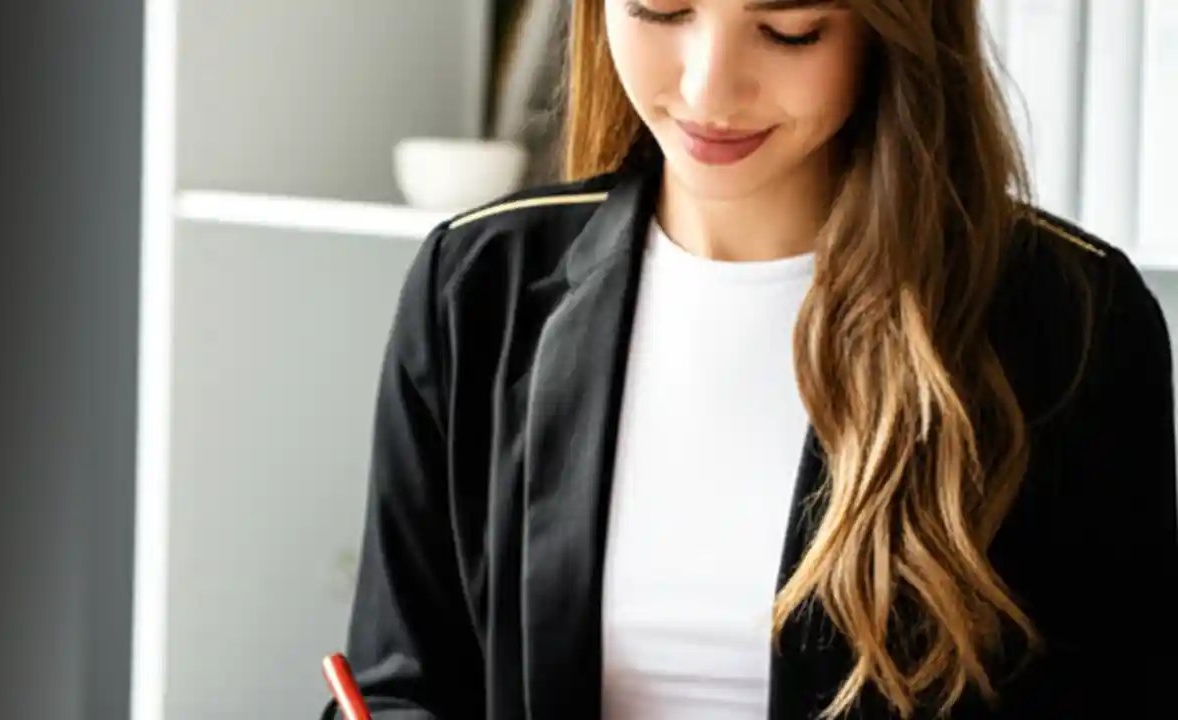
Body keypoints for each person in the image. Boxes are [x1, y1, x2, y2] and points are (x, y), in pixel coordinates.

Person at [321, 1, 1178, 718]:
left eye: (789, 28)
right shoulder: (476, 286)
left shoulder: (1070, 318)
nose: (707, 89)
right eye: (662, 10)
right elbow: (398, 681)